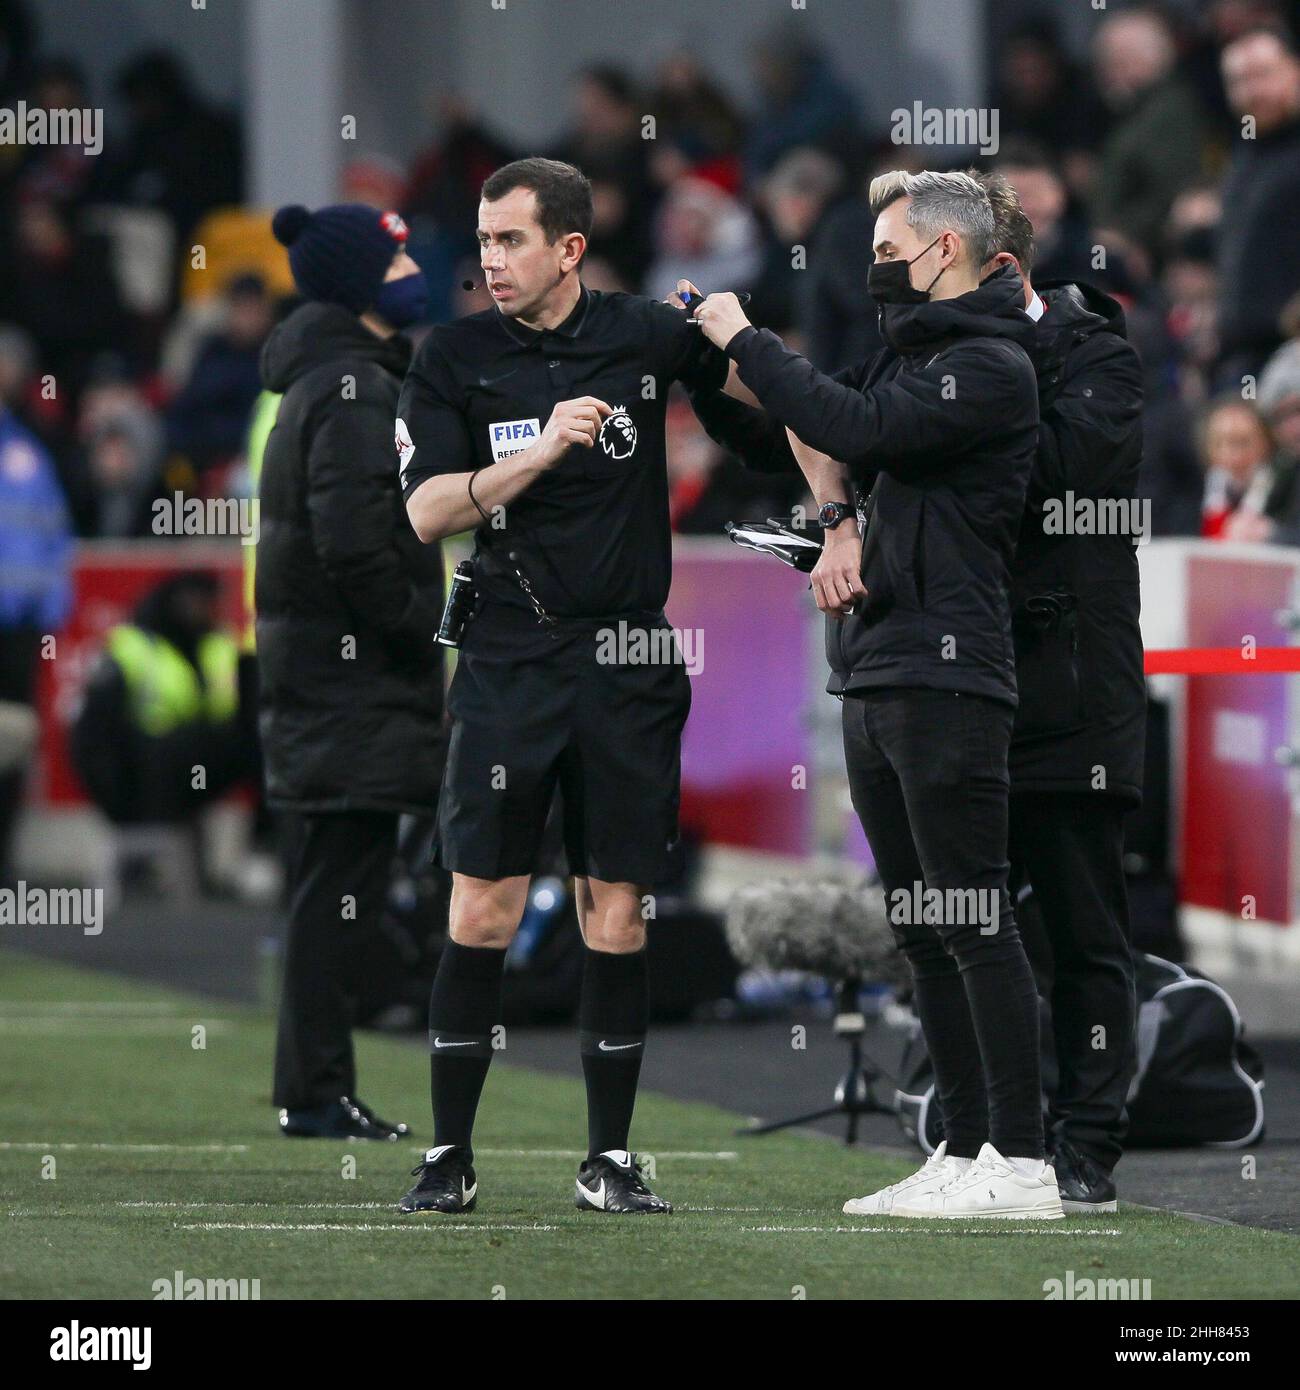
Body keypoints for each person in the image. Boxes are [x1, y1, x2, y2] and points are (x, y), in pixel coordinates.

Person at [688, 170, 1062, 1219]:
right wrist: (705, 363)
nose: (874, 269)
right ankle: (966, 1141)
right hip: (881, 660)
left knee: (971, 912)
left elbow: (845, 420)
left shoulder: (987, 365)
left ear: (942, 252)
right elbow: (793, 425)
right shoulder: (916, 359)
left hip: (949, 667)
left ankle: (1023, 1160)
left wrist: (746, 338)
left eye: (888, 249)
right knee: (917, 921)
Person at [395, 157, 728, 1215]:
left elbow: (763, 397)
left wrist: (834, 504)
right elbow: (426, 511)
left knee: (616, 909)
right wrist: (535, 455)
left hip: (627, 660)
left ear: (569, 248)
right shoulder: (452, 356)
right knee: (483, 904)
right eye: (484, 241)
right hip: (505, 658)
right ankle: (448, 1154)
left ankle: (609, 1159)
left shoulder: (643, 335)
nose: (489, 260)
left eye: (510, 241)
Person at [257, 202, 444, 1142]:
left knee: (332, 890)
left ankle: (314, 1087)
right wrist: (423, 627)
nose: (412, 264)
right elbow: (357, 543)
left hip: (328, 686)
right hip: (351, 686)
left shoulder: (325, 376)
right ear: (359, 279)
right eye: (396, 253)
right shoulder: (351, 386)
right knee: (339, 892)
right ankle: (317, 1091)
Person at [978, 171, 1146, 1214]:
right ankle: (991, 1132)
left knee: (1084, 931)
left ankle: (1085, 1143)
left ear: (996, 270)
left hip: (1077, 690)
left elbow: (1066, 466)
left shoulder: (1096, 349)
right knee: (970, 922)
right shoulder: (927, 353)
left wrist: (980, 373)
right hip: (968, 683)